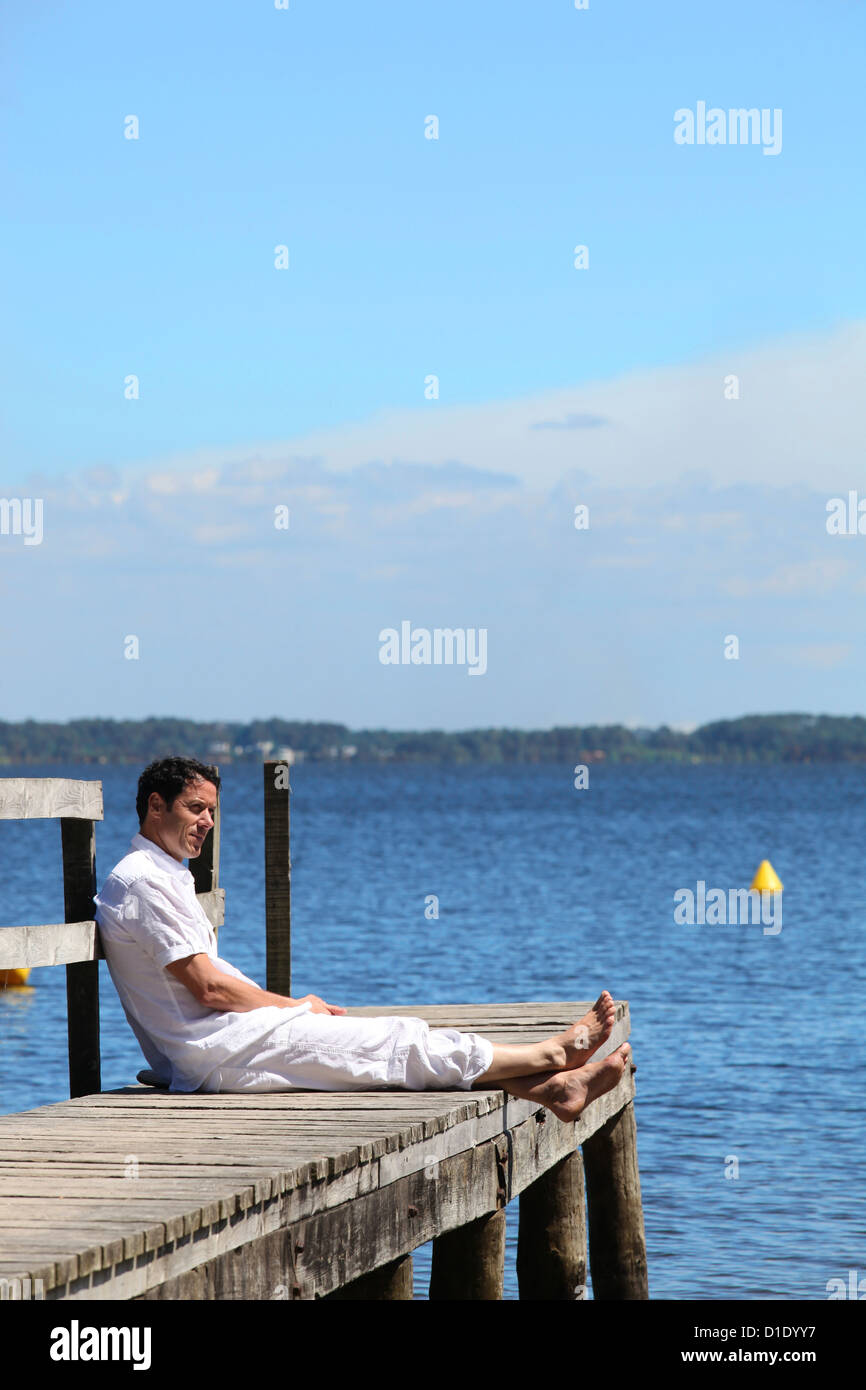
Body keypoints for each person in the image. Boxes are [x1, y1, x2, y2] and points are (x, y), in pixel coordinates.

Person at [94, 756, 631, 1120]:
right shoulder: (144, 881)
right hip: (217, 1052)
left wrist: (291, 1012)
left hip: (225, 1043)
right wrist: (294, 1006)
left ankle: (556, 1089)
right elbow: (208, 989)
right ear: (155, 806)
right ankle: (552, 1055)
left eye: (212, 810)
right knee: (397, 1043)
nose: (208, 821)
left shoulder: (163, 873)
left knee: (389, 1051)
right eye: (195, 808)